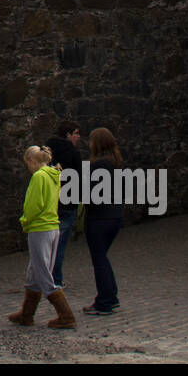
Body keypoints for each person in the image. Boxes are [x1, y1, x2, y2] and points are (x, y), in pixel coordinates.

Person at [9, 145, 75, 328]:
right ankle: (26, 314)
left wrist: (25, 220)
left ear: (31, 161)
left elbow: (33, 204)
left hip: (40, 227)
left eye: (27, 163)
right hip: (52, 226)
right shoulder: (53, 175)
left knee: (43, 273)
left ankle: (66, 315)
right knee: (34, 272)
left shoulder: (39, 177)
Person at [83, 128, 124, 316]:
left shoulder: (97, 166)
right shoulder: (116, 163)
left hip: (99, 218)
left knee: (99, 259)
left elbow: (89, 195)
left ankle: (105, 301)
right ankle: (110, 296)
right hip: (114, 216)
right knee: (103, 258)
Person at [47, 121, 81, 288]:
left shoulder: (47, 150)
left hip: (49, 201)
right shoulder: (73, 153)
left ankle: (45, 277)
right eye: (75, 133)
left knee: (47, 244)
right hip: (66, 202)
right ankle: (56, 279)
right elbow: (78, 177)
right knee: (59, 244)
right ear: (67, 134)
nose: (78, 136)